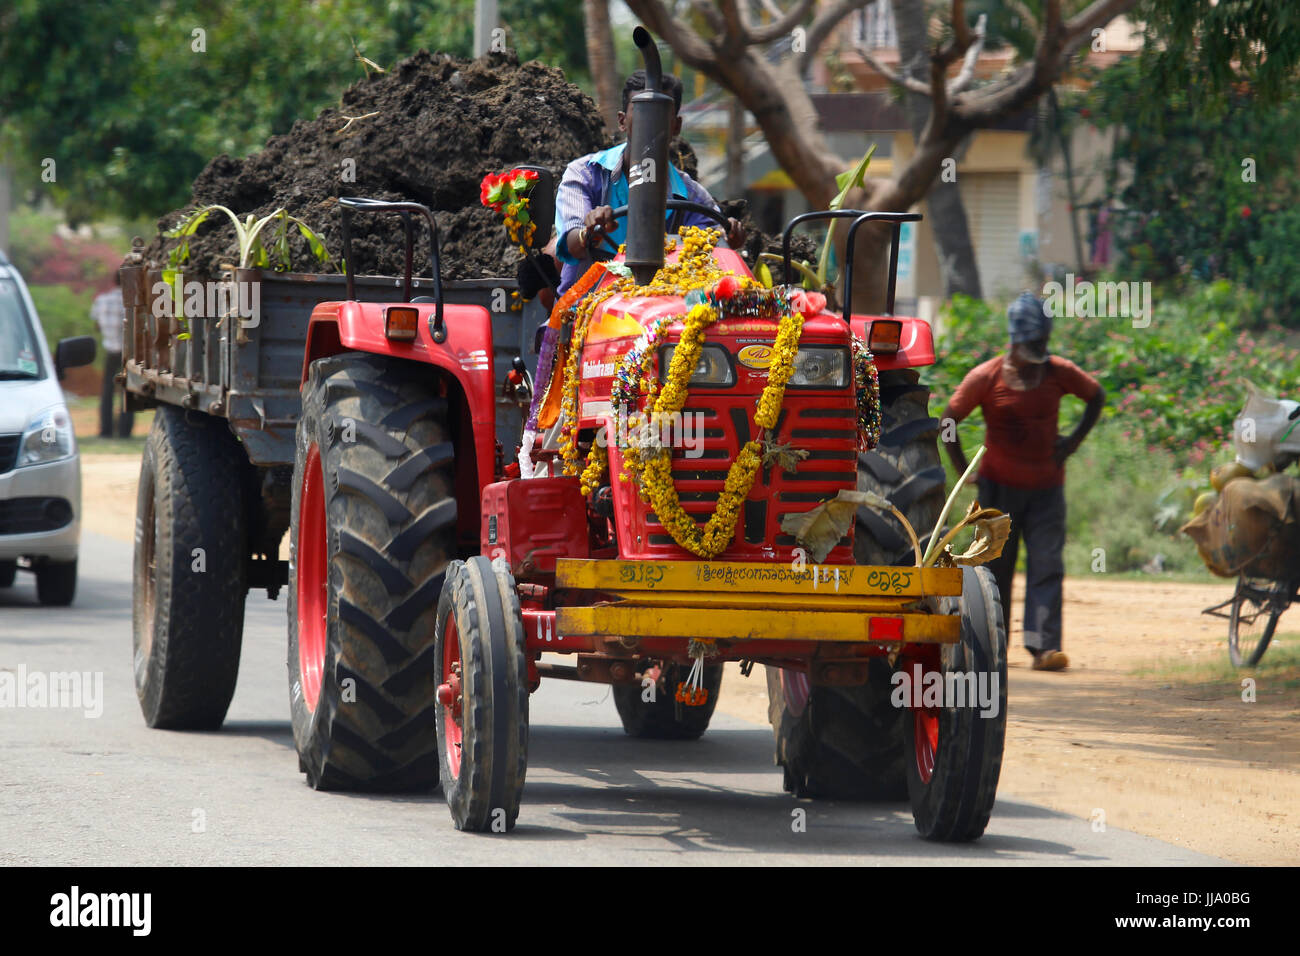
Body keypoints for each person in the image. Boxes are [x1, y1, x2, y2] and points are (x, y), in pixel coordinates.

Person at [940, 292, 1105, 672]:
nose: (1040, 352)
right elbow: (947, 422)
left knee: (1047, 564)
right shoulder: (987, 377)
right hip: (998, 490)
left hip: (1048, 489)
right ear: (1015, 340)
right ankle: (991, 647)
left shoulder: (1059, 372)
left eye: (1044, 344)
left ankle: (1044, 648)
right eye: (1033, 344)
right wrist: (966, 469)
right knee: (993, 570)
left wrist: (1073, 442)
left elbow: (1096, 396)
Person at [552, 69, 745, 293]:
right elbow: (571, 244)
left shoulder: (693, 196)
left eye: (662, 111)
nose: (652, 121)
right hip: (585, 314)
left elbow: (712, 249)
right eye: (643, 110)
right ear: (622, 121)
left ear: (676, 125)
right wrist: (590, 231)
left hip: (661, 314)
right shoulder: (585, 174)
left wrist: (729, 237)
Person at [91, 273, 133, 438]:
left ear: (114, 281)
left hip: (110, 349)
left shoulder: (102, 300)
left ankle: (106, 430)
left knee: (107, 391)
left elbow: (97, 325)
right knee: (127, 390)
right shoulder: (130, 302)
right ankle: (124, 430)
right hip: (127, 351)